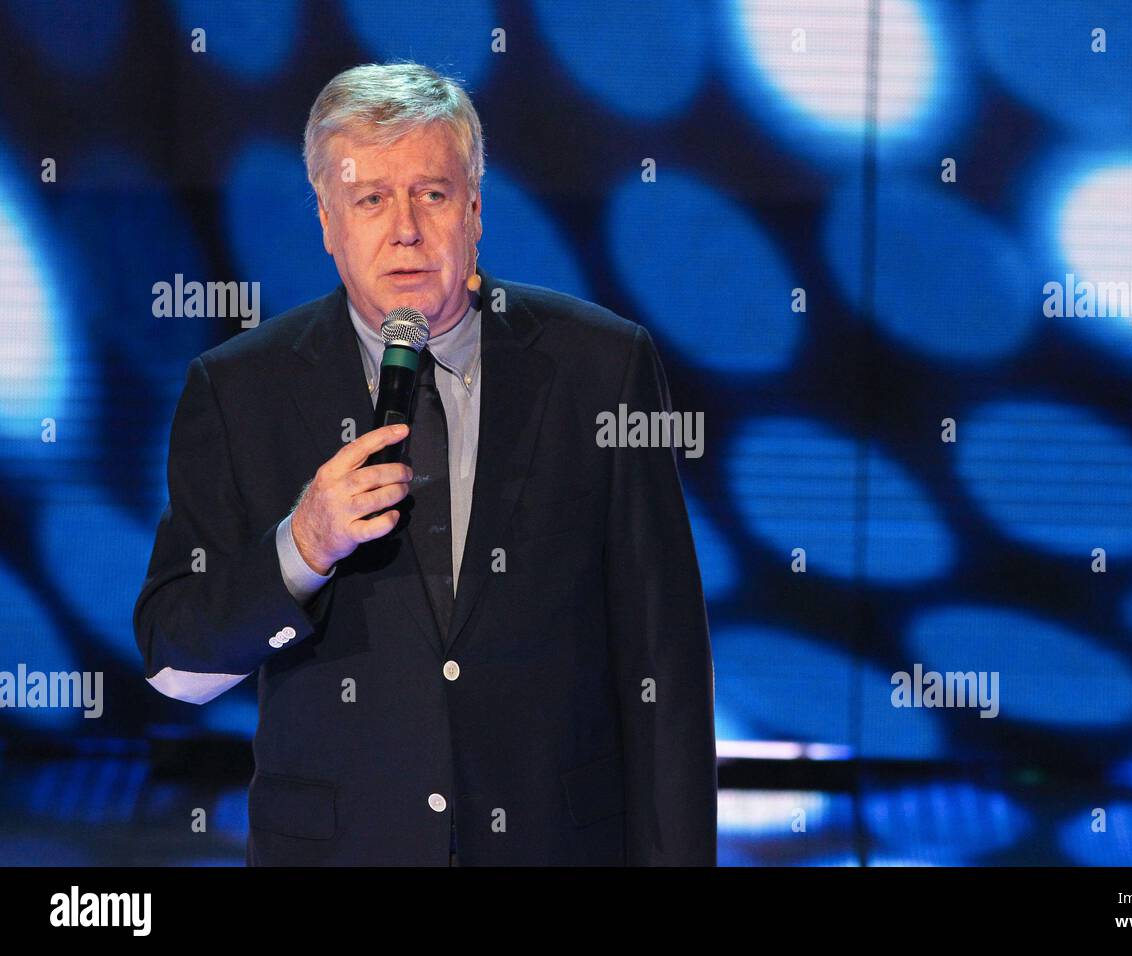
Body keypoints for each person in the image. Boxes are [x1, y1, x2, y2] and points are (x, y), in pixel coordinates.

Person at [133, 62, 717, 866]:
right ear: (327, 221)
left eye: (432, 194)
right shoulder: (240, 389)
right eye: (370, 198)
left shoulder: (602, 368)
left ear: (475, 209)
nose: (404, 228)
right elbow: (173, 662)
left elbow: (666, 666)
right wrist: (300, 548)